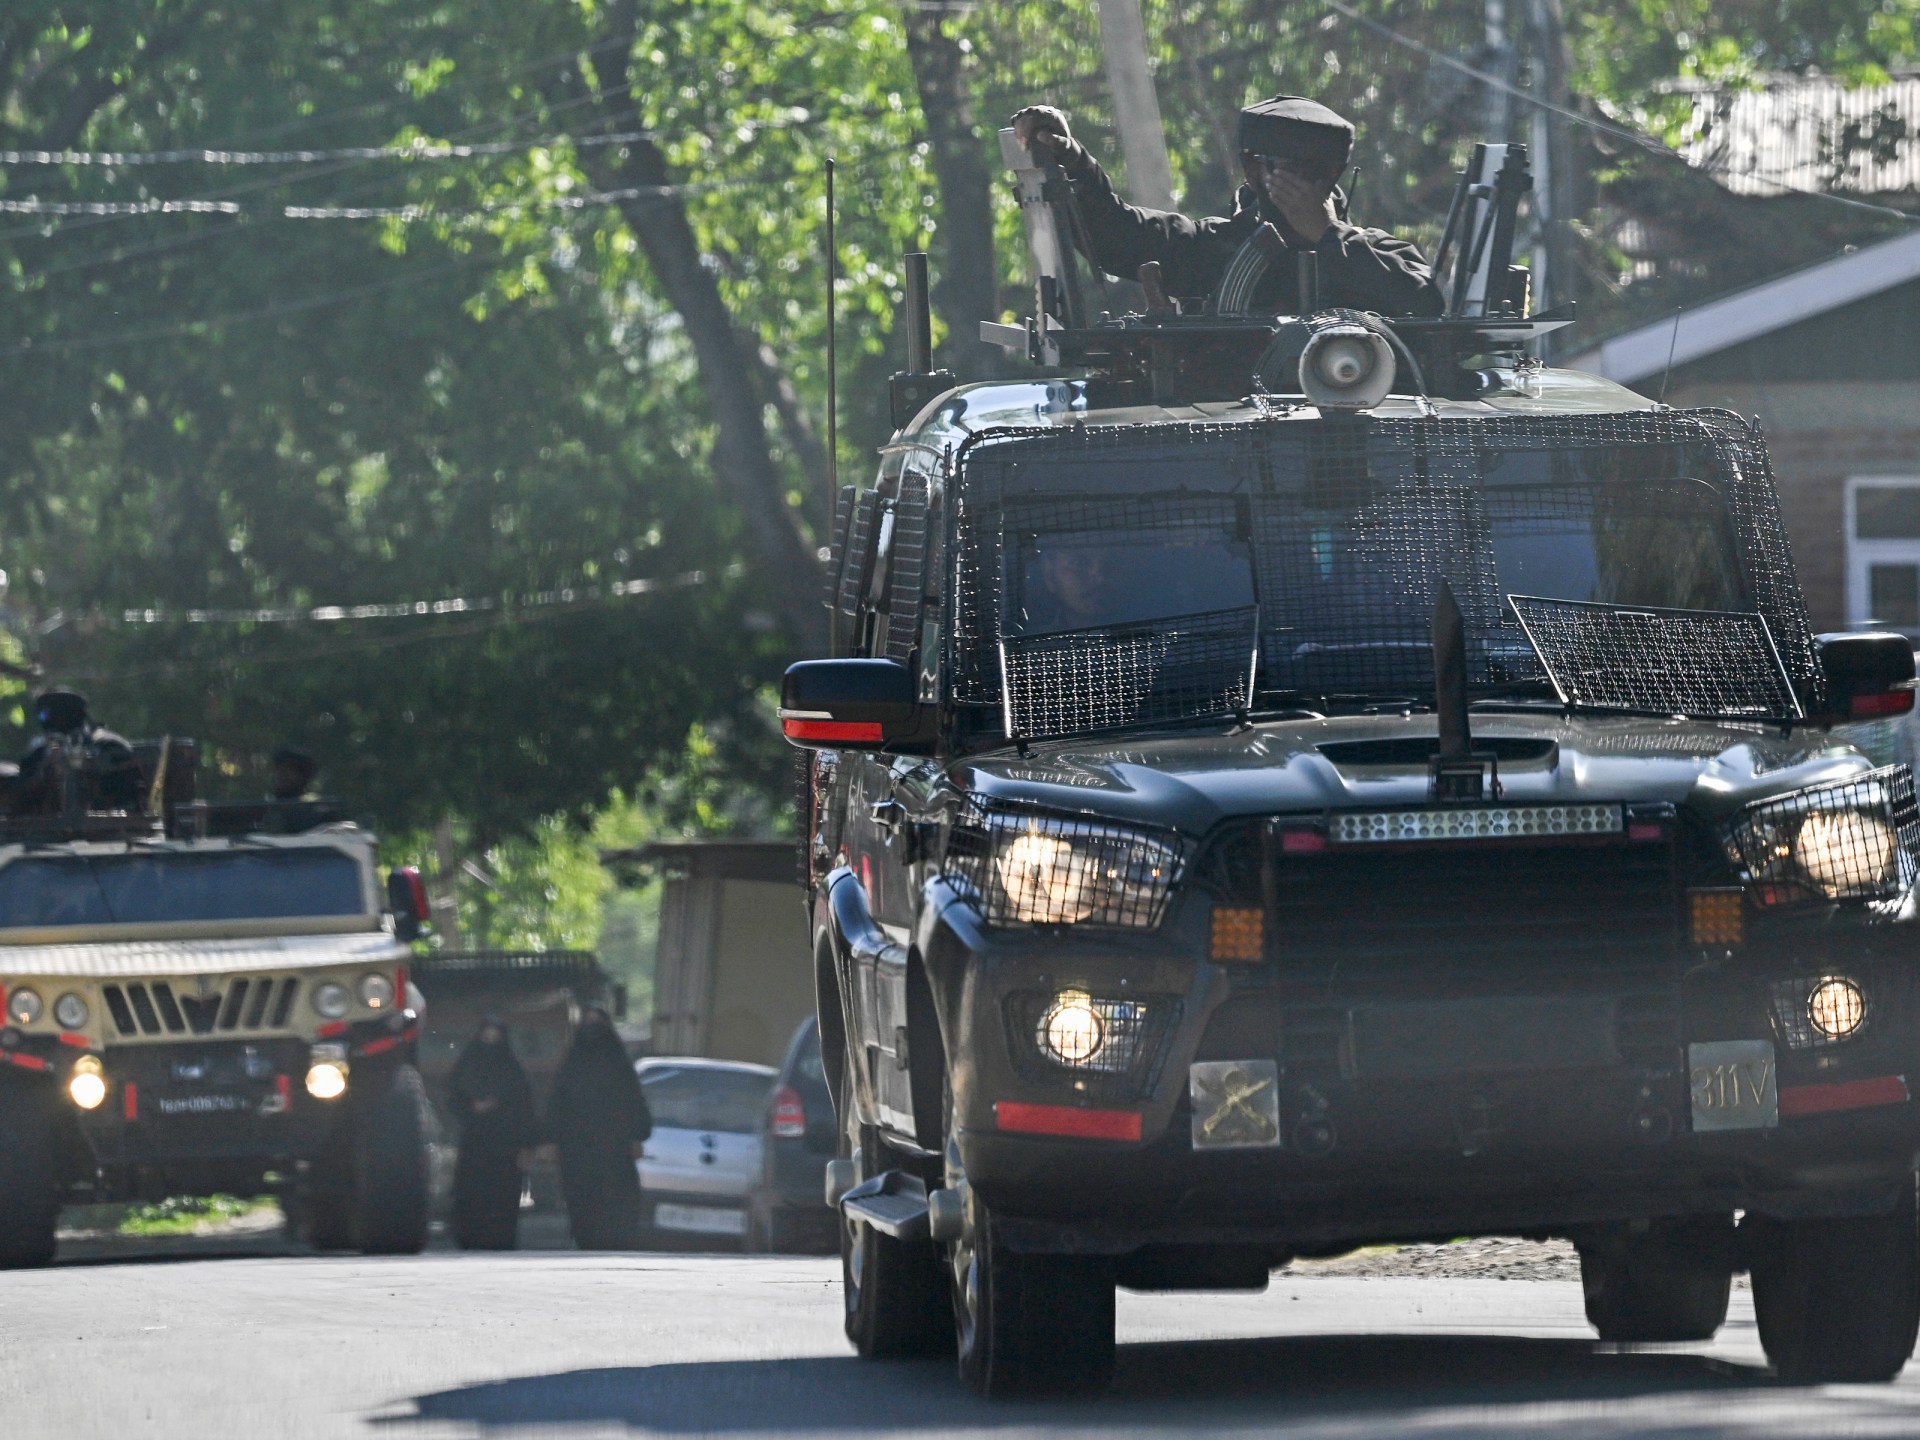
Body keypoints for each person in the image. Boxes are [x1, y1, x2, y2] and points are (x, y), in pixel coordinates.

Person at [1010, 95, 1443, 318]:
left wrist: (1329, 237)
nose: (1283, 183)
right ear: (1250, 169)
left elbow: (1426, 304)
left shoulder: (1379, 255)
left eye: (1306, 171)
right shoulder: (1214, 247)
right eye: (1269, 167)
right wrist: (1073, 162)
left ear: (1331, 176)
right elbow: (1117, 236)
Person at [546, 1006, 652, 1250]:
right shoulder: (572, 1065)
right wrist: (552, 1140)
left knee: (616, 1202)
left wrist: (638, 1135)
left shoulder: (619, 1065)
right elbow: (558, 1103)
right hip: (577, 1150)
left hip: (614, 1149)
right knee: (582, 1201)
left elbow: (634, 1101)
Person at [447, 1017, 540, 1250]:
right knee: (472, 1194)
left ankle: (500, 1240)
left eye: (495, 1037)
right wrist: (473, 1107)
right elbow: (454, 1099)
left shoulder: (514, 1072)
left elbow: (525, 1110)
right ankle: (469, 1238)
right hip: (474, 1145)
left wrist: (528, 1146)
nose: (490, 1042)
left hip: (506, 1147)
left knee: (502, 1197)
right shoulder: (467, 1066)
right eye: (486, 1036)